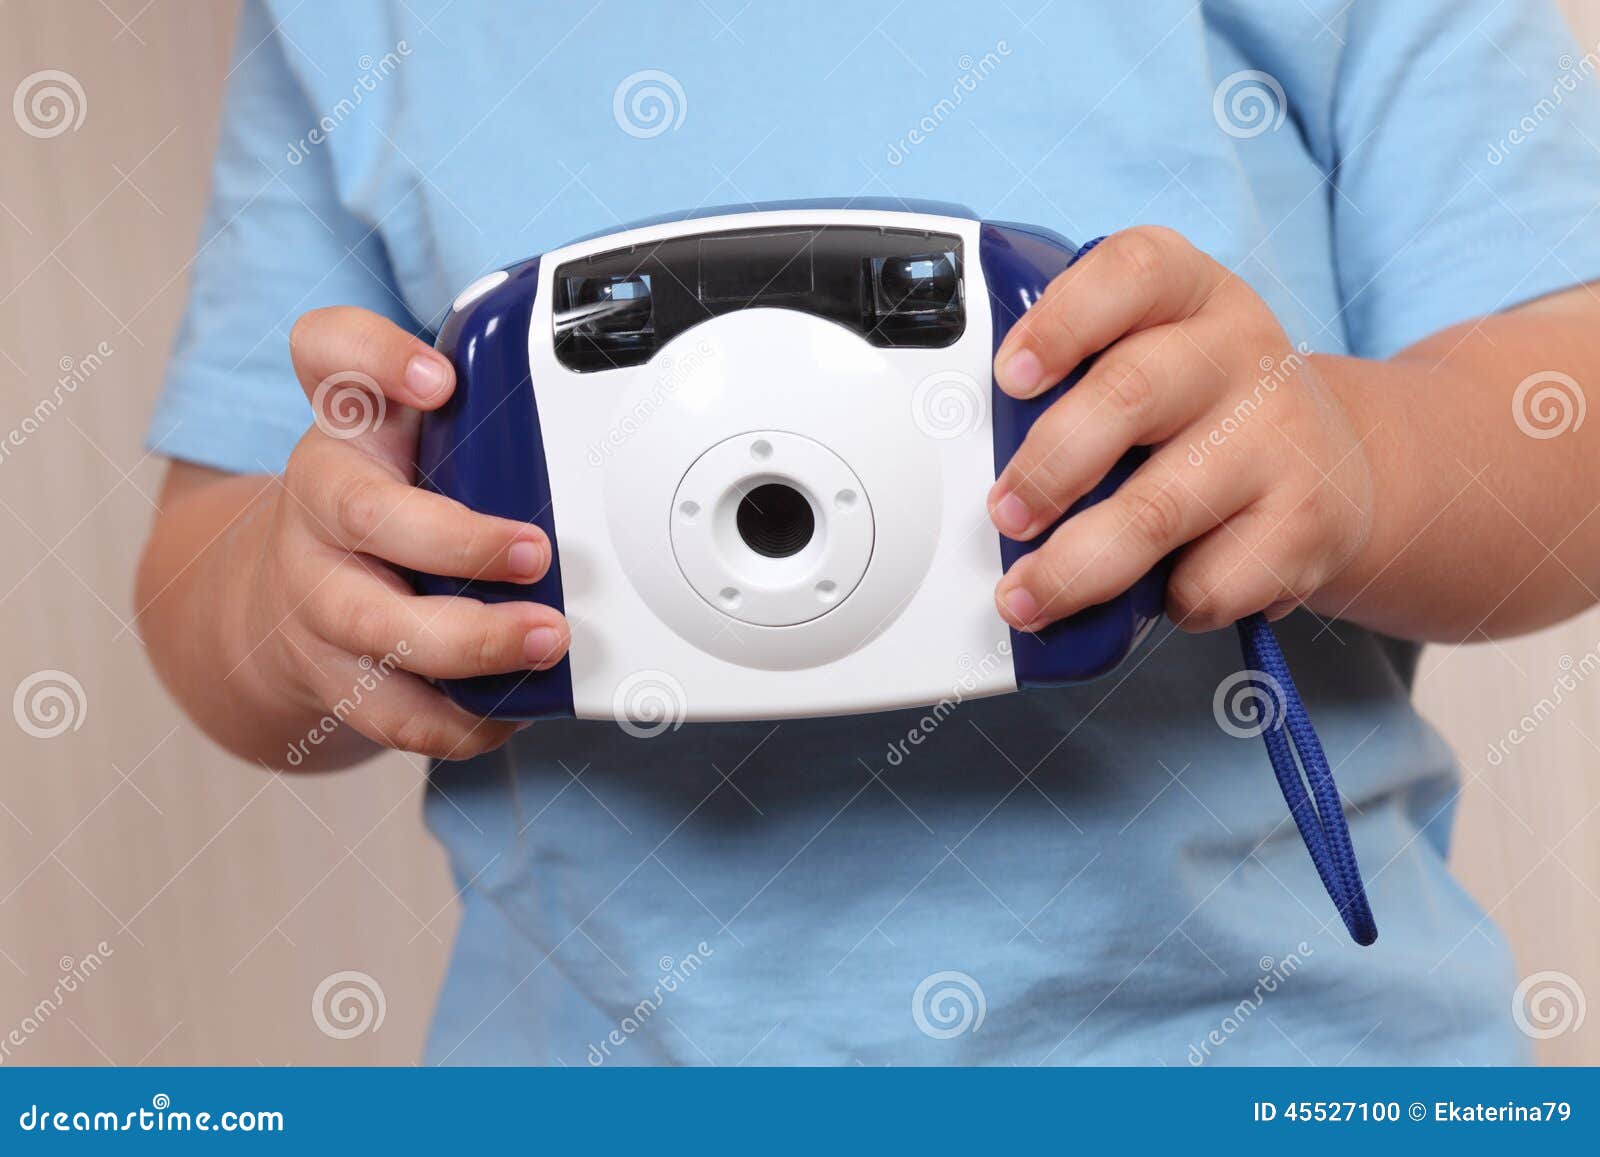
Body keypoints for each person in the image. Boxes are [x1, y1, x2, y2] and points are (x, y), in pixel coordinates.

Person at [136, 0, 1600, 1065]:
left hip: (1284, 1064)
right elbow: (211, 556)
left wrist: (1348, 455)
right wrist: (303, 601)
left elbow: (1564, 413)